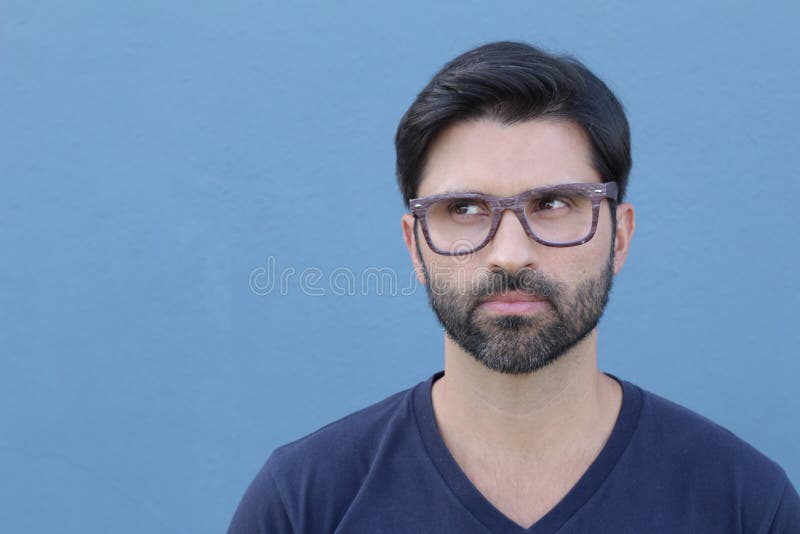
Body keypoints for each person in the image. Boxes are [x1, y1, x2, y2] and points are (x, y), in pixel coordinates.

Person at [228, 41, 800, 533]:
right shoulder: (304, 504)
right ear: (415, 247)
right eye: (465, 208)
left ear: (619, 238)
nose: (510, 253)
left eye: (553, 204)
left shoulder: (744, 504)